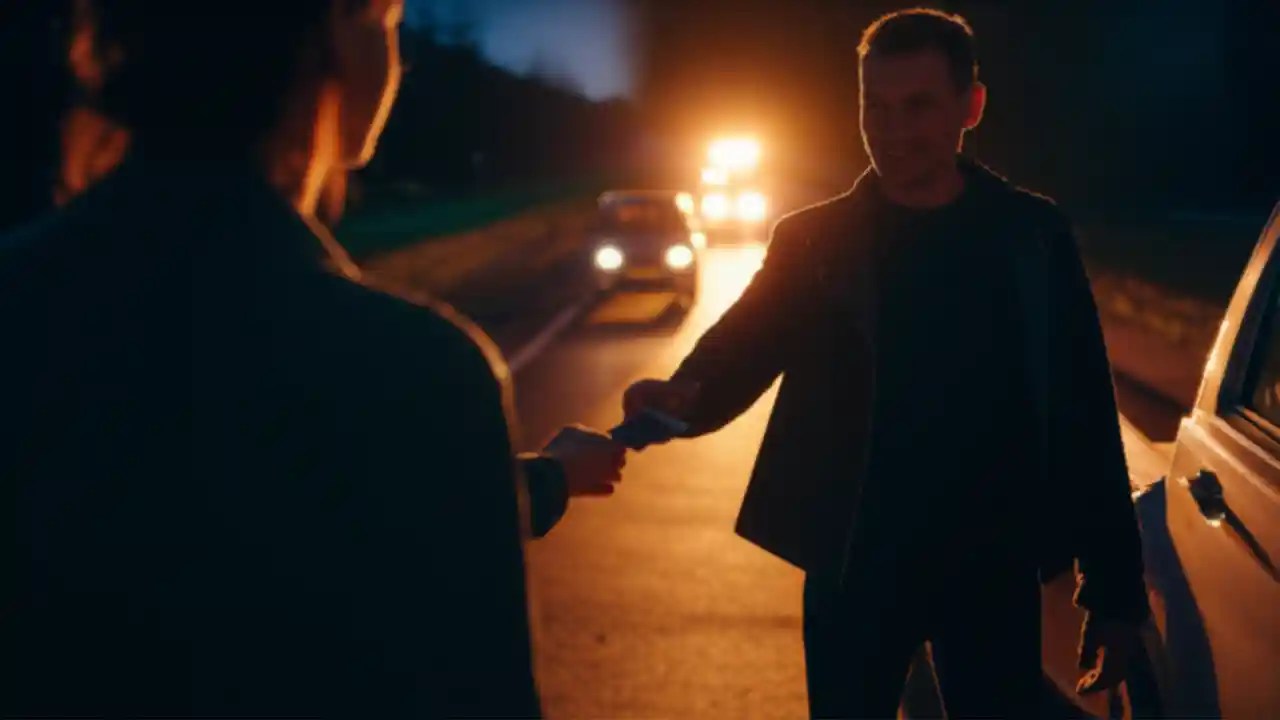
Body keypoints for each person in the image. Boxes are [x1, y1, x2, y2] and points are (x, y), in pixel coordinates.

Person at [0, 0, 624, 716]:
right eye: (387, 21)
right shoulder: (418, 370)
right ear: (328, 40)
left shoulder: (27, 303)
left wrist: (546, 479)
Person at [623, 8, 1149, 718]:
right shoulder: (814, 240)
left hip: (990, 569)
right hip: (854, 568)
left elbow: (1084, 409)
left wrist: (1114, 592)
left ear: (972, 106)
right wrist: (680, 396)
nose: (893, 132)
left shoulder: (1031, 236)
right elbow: (741, 346)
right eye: (877, 106)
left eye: (919, 107)